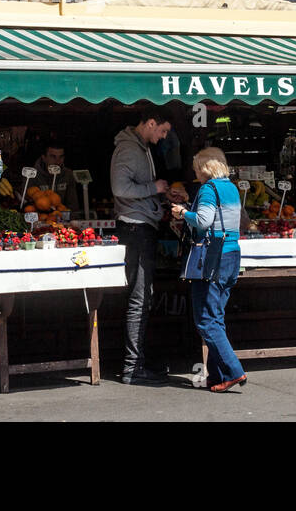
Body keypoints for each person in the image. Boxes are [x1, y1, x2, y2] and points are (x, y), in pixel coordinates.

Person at [110, 107, 184, 385]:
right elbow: (120, 188)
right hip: (135, 229)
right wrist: (154, 188)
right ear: (150, 123)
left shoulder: (139, 148)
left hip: (141, 226)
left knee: (142, 297)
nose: (164, 136)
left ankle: (136, 363)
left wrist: (162, 194)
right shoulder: (129, 150)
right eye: (163, 130)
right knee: (139, 298)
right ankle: (132, 369)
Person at [171, 147, 246, 393]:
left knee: (205, 320)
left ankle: (234, 371)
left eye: (196, 169)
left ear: (204, 168)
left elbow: (203, 221)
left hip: (212, 256)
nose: (195, 174)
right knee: (216, 317)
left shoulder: (209, 189)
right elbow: (240, 222)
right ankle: (218, 376)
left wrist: (182, 212)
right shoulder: (232, 188)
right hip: (232, 254)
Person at [29, 139, 79, 213]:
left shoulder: (68, 174)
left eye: (61, 157)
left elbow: (73, 205)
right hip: (40, 218)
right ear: (44, 158)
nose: (57, 161)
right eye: (53, 157)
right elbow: (28, 204)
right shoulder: (32, 175)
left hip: (62, 218)